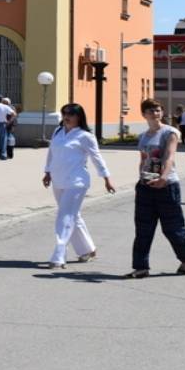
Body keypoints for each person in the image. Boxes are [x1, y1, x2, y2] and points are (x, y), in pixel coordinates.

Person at [127, 98, 185, 279]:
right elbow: (143, 159)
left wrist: (164, 177)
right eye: (150, 111)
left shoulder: (170, 132)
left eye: (157, 110)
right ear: (143, 114)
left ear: (162, 112)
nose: (154, 113)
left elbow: (169, 156)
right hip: (145, 187)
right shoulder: (143, 136)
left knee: (172, 228)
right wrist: (141, 179)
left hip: (167, 186)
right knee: (143, 229)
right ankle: (141, 267)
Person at [41, 103, 115, 269]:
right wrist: (47, 172)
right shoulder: (58, 131)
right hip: (58, 180)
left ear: (79, 117)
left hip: (76, 182)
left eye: (71, 114)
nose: (66, 117)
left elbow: (97, 158)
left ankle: (59, 255)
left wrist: (106, 178)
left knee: (65, 216)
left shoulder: (85, 136)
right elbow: (52, 153)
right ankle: (87, 250)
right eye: (64, 113)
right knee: (73, 215)